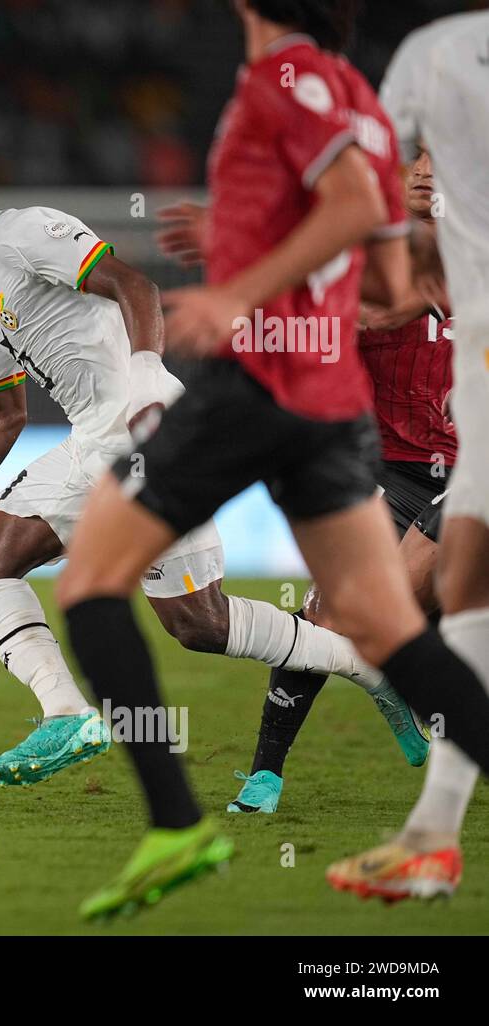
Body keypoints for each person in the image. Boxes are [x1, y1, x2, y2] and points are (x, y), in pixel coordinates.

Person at [54, 0, 489, 920]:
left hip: (258, 383)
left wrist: (238, 287)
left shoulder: (279, 81)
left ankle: (177, 824)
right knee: (384, 633)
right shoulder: (365, 109)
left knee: (91, 583)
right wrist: (247, 243)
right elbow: (383, 280)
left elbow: (345, 212)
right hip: (333, 407)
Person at [0, 143, 393, 791]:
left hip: (136, 426)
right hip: (109, 436)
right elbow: (1, 420)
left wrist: (147, 380)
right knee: (199, 624)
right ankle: (374, 668)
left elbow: (133, 284)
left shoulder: (26, 231)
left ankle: (68, 713)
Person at [326, 8, 489, 902]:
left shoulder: (438, 57)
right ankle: (432, 836)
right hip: (465, 435)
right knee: (451, 605)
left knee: (438, 608)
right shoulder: (437, 57)